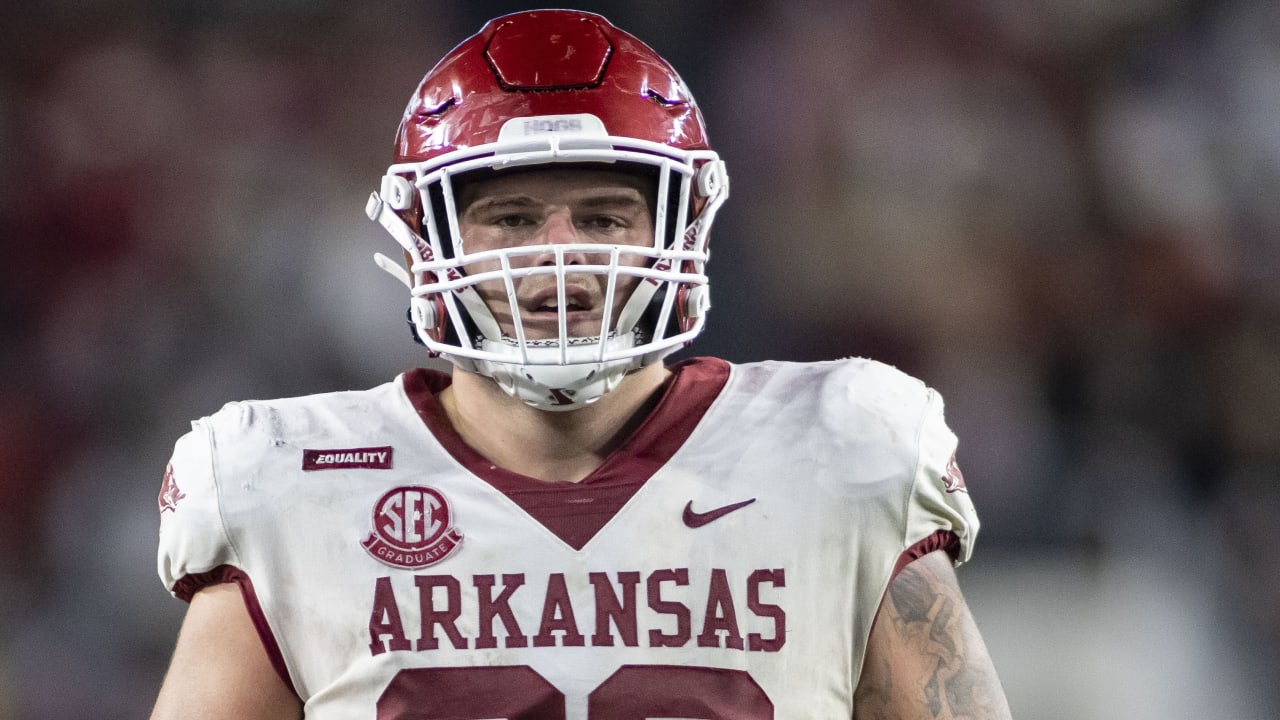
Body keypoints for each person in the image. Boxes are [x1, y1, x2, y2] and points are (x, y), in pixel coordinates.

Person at [150, 9, 1012, 719]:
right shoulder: (289, 482)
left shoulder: (841, 449)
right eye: (514, 220)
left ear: (676, 233)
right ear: (428, 238)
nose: (558, 257)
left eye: (602, 220)